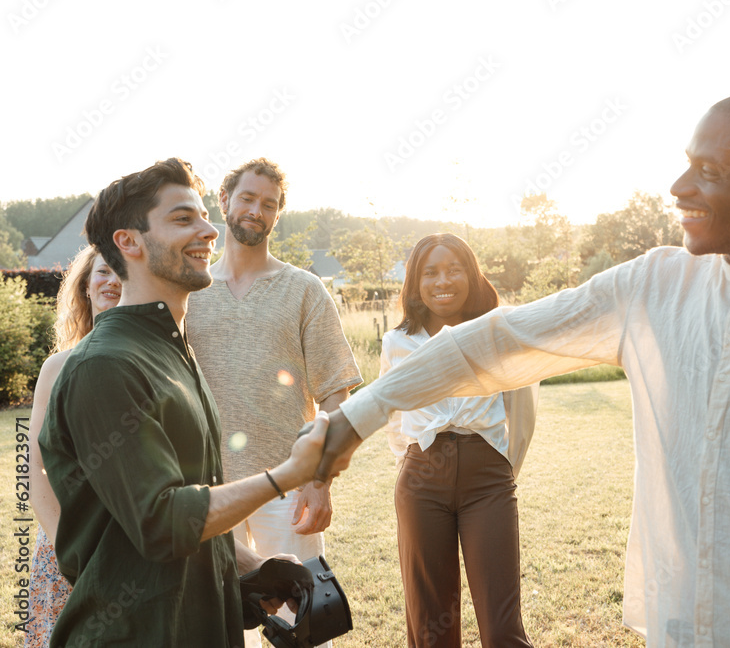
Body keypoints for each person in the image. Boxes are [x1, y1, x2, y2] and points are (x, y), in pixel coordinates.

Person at [315, 90, 730, 646]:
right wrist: (358, 415)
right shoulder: (651, 287)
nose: (678, 187)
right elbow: (493, 342)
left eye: (710, 171)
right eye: (686, 162)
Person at [38, 157, 332, 647]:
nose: (209, 231)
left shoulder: (174, 350)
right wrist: (287, 475)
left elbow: (188, 508)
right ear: (128, 243)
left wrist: (255, 568)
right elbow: (161, 522)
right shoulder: (104, 365)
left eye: (202, 215)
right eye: (182, 219)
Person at [186, 157, 361, 647]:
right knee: (218, 625)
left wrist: (319, 479)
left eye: (269, 204)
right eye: (247, 198)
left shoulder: (304, 289)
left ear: (277, 215)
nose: (255, 211)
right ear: (224, 202)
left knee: (300, 624)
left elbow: (334, 393)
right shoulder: (189, 290)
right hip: (209, 487)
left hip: (288, 484)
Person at [384, 233, 534, 647]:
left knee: (502, 624)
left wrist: (502, 465)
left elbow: (521, 407)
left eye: (454, 269)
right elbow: (394, 415)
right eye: (430, 272)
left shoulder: (495, 333)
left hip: (487, 479)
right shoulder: (398, 343)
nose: (442, 280)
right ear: (415, 282)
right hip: (420, 480)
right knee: (430, 623)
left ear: (471, 275)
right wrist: (411, 462)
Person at [25, 245, 120, 648]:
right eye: (103, 272)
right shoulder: (58, 368)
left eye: (124, 272)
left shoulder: (163, 364)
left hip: (133, 547)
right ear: (84, 287)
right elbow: (34, 463)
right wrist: (67, 547)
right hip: (66, 544)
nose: (113, 281)